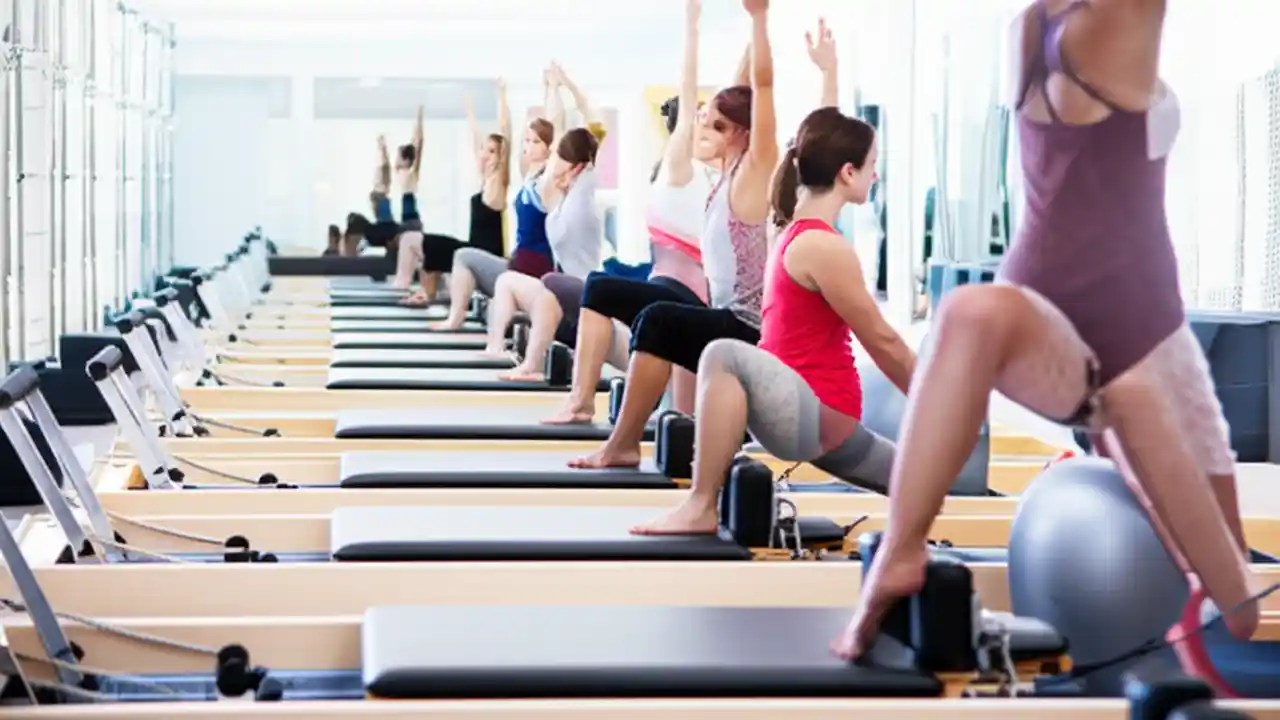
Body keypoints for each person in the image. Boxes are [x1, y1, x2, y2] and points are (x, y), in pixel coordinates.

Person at [831, 0, 1260, 672]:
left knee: (1239, 603)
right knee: (970, 313)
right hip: (1112, 331)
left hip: (1124, 331)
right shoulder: (1100, 26)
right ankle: (901, 549)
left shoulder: (1029, 31)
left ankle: (1119, 445)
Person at [630, 105, 915, 534]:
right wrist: (941, 405)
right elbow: (884, 341)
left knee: (932, 488)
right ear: (847, 172)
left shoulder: (794, 234)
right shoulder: (819, 244)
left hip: (814, 416)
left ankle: (702, 503)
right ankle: (701, 505)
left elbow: (884, 342)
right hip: (809, 411)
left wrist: (946, 413)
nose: (875, 175)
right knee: (723, 354)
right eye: (872, 165)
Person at [567, 0, 778, 470]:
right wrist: (737, 35)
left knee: (658, 320)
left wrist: (760, 21)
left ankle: (621, 444)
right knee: (656, 321)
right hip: (726, 316)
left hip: (750, 328)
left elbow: (760, 89)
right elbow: (742, 88)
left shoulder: (753, 172)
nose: (701, 129)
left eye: (714, 125)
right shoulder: (723, 176)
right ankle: (623, 441)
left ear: (741, 134)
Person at [542, 0, 713, 422]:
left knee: (599, 288)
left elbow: (696, 96)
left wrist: (694, 28)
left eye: (712, 124)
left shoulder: (709, 172)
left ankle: (582, 401)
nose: (702, 128)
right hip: (664, 286)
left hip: (689, 294)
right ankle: (653, 415)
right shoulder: (684, 171)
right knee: (679, 404)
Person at [429, 66, 568, 331]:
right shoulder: (528, 176)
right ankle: (460, 318)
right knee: (463, 258)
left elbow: (556, 128)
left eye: (535, 142)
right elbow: (509, 133)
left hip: (533, 267)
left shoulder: (547, 181)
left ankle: (455, 320)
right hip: (518, 261)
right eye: (527, 141)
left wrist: (553, 89)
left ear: (550, 148)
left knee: (463, 256)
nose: (528, 146)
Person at [485, 126, 603, 377]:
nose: (552, 160)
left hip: (581, 291)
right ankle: (495, 349)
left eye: (557, 154)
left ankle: (531, 365)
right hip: (571, 286)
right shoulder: (573, 192)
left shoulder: (581, 194)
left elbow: (589, 149)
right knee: (507, 281)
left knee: (550, 284)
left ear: (575, 166)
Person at [399, 82, 513, 306]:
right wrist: (469, 110)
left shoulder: (498, 184)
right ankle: (427, 295)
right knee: (424, 243)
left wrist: (501, 94)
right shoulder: (484, 180)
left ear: (500, 157)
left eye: (491, 151)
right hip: (473, 249)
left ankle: (426, 294)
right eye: (484, 149)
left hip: (487, 256)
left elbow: (505, 132)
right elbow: (474, 137)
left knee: (429, 245)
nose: (484, 154)